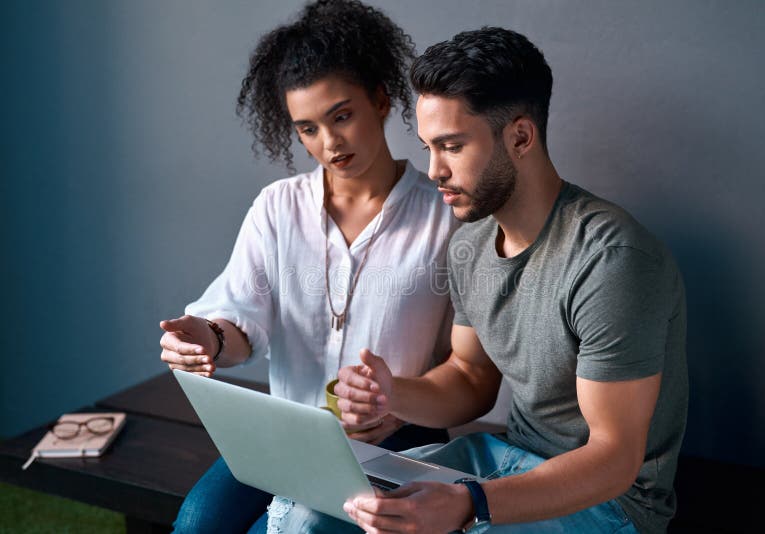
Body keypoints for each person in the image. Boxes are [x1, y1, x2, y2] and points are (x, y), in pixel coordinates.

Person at [277, 26, 689, 534]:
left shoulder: (611, 258)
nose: (433, 171)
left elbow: (612, 459)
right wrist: (393, 394)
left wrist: (471, 503)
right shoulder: (470, 245)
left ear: (519, 136)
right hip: (506, 457)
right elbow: (471, 378)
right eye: (429, 147)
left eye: (451, 146)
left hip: (611, 502)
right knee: (307, 511)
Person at [158, 1, 460, 532]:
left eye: (341, 116)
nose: (329, 143)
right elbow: (238, 321)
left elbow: (469, 367)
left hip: (398, 437)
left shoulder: (445, 215)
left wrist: (401, 402)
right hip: (284, 430)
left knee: (291, 529)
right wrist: (205, 338)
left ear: (381, 100)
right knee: (196, 522)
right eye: (307, 129)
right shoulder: (278, 206)